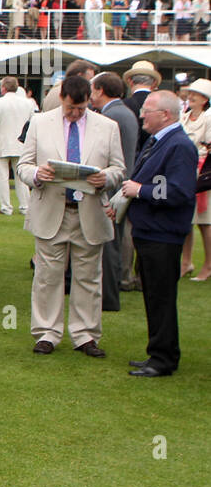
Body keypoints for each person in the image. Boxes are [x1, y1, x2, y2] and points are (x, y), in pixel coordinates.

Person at [18, 74, 125, 357]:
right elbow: (23, 166)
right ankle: (46, 333)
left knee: (89, 278)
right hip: (52, 210)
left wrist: (106, 178)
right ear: (61, 98)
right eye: (70, 109)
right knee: (47, 277)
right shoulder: (40, 123)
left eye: (81, 109)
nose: (75, 114)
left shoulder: (108, 126)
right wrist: (37, 174)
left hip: (89, 212)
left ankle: (85, 335)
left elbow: (119, 169)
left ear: (89, 101)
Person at [118, 91, 199, 376]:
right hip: (150, 232)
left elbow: (179, 190)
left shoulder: (179, 146)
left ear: (165, 114)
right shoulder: (160, 142)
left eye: (147, 111)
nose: (141, 115)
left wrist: (140, 191)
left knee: (161, 298)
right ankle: (157, 352)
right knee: (153, 296)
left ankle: (163, 358)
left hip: (163, 235)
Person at [90, 72, 140, 311]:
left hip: (113, 188)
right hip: (120, 185)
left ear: (100, 90)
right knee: (113, 241)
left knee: (108, 242)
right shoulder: (122, 112)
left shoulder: (113, 115)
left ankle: (108, 297)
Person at [178, 78, 211, 280]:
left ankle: (208, 265)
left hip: (203, 174)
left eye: (195, 95)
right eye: (189, 94)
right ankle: (186, 262)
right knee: (187, 220)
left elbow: (208, 147)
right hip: (185, 171)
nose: (190, 97)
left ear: (204, 99)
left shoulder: (209, 118)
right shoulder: (184, 116)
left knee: (205, 222)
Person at [0, 76, 35, 215]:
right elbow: (32, 124)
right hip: (22, 145)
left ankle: (6, 207)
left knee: (2, 177)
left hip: (2, 144)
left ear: (3, 88)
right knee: (21, 177)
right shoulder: (28, 103)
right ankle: (25, 207)